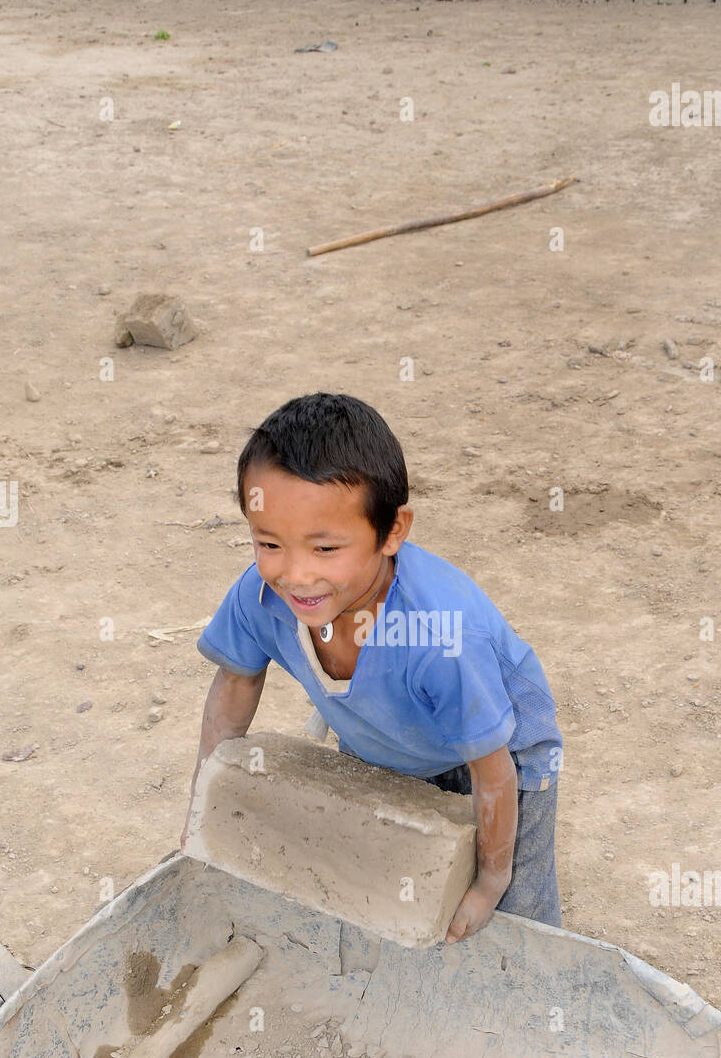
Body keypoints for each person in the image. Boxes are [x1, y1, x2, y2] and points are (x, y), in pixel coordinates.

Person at [182, 392, 563, 945]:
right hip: (387, 742)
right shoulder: (259, 597)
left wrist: (490, 883)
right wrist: (205, 801)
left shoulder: (438, 638)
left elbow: (492, 770)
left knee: (510, 919)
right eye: (269, 542)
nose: (295, 575)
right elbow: (237, 680)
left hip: (502, 757)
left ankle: (531, 989)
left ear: (393, 532)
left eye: (326, 548)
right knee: (385, 882)